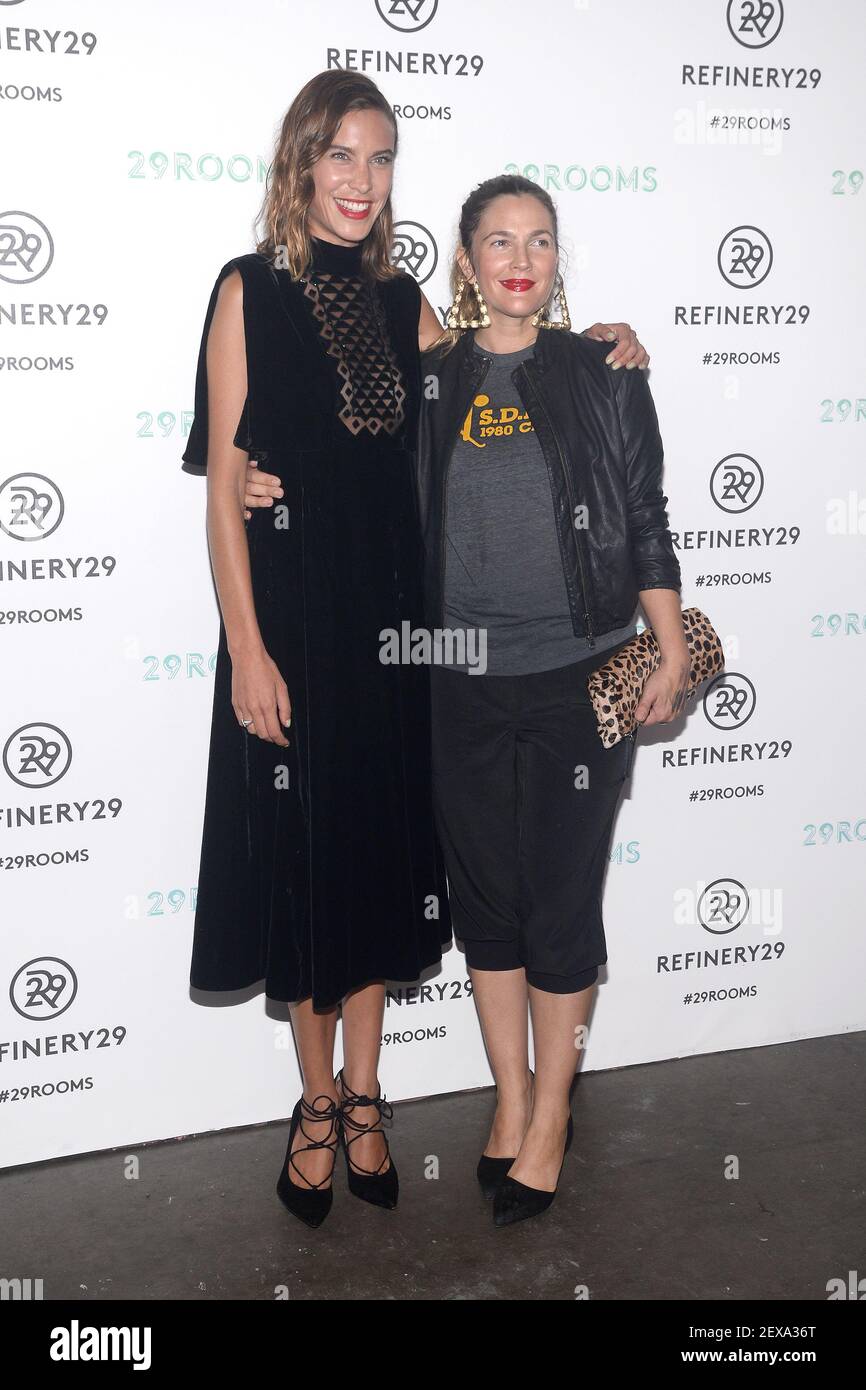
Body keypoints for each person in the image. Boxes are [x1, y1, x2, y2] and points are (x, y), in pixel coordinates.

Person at [215, 74, 649, 1230]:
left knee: (373, 864)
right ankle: (317, 1106)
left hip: (402, 649)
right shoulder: (246, 289)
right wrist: (248, 637)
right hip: (300, 632)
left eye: (382, 159)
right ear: (303, 162)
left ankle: (368, 1096)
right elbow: (222, 487)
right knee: (315, 874)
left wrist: (603, 339)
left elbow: (495, 354)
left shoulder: (407, 300)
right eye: (342, 158)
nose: (362, 182)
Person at [417, 174, 688, 1226]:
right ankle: (512, 1095)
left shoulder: (601, 371)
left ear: (556, 259)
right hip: (456, 680)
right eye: (497, 241)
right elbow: (355, 480)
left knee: (559, 903)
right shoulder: (430, 380)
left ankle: (551, 1118)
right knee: (485, 902)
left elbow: (645, 514)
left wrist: (667, 646)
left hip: (581, 676)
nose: (518, 258)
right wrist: (254, 479)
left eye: (537, 240)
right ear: (468, 261)